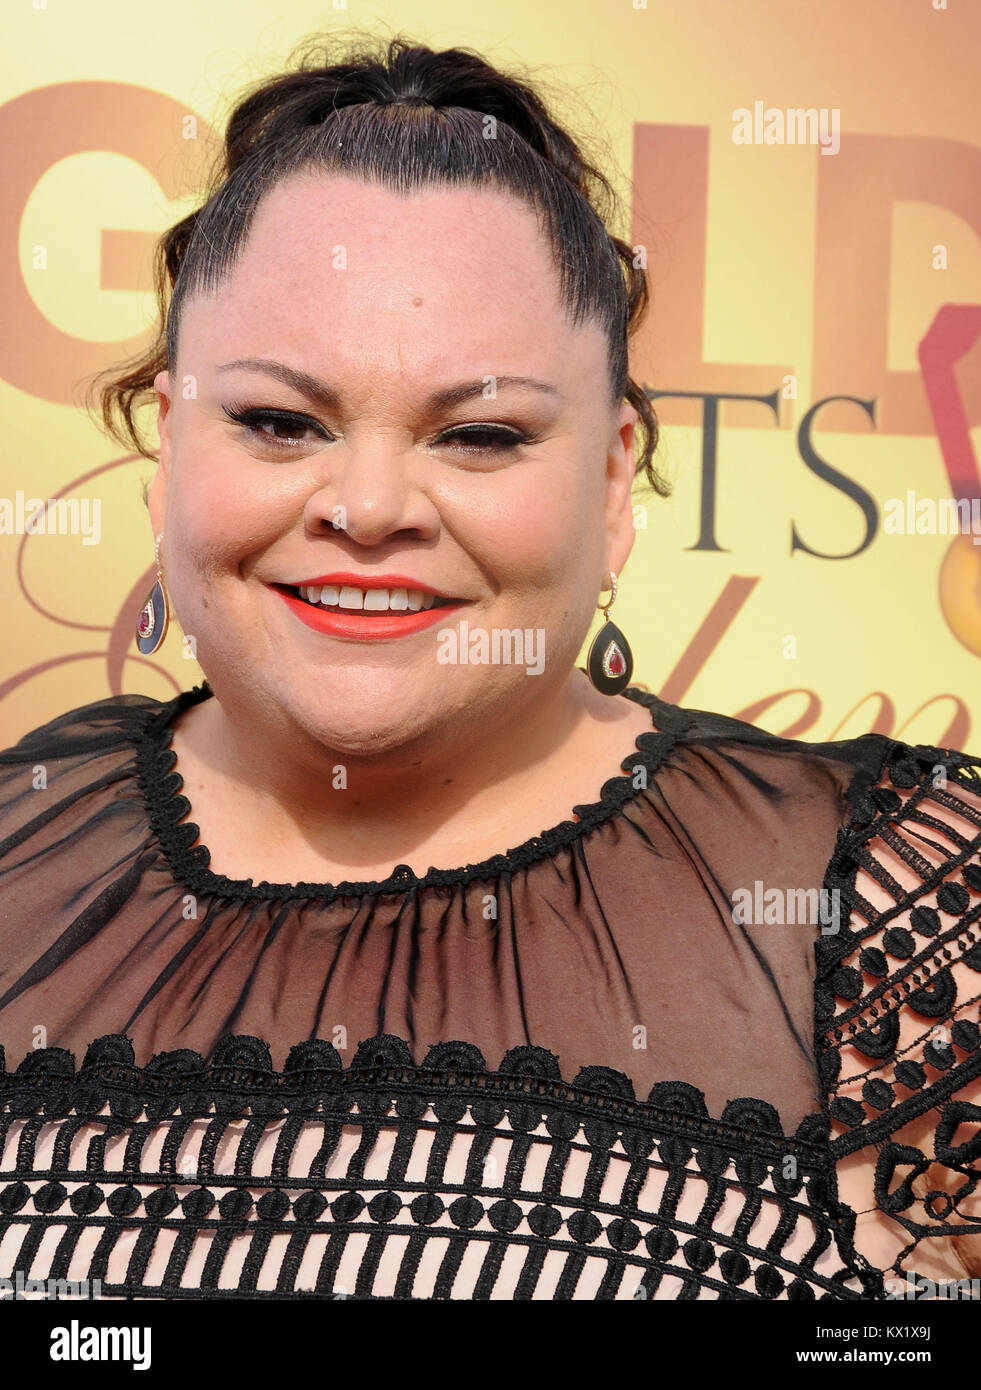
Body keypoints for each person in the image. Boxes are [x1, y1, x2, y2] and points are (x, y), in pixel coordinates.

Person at [0, 31, 979, 1302]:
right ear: (168, 444)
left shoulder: (903, 909)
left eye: (478, 434)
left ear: (616, 478)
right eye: (279, 422)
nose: (367, 505)